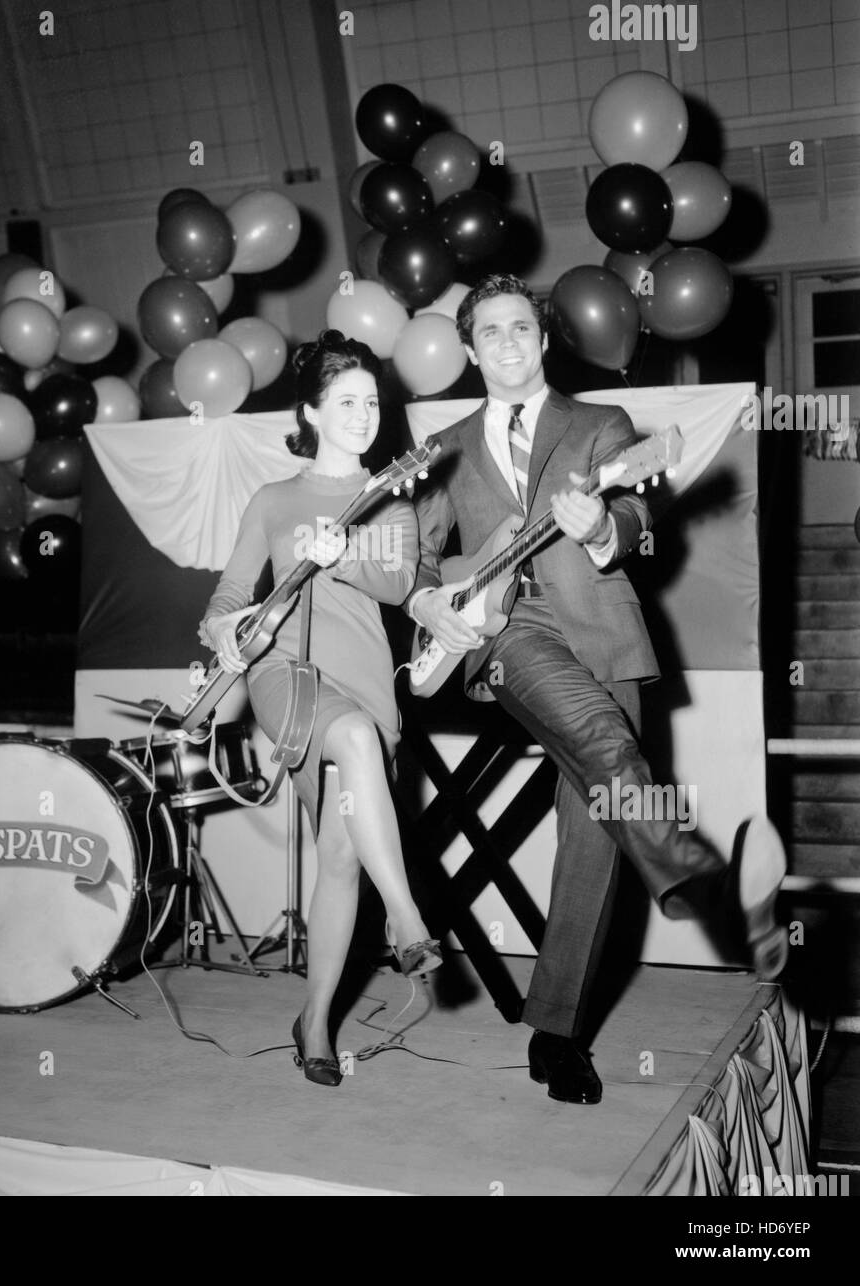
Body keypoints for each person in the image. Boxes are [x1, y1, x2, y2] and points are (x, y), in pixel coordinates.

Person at [408, 274, 787, 1106]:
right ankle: (692, 868)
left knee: (594, 831)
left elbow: (636, 518)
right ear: (469, 349)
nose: (506, 343)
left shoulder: (601, 426)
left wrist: (605, 530)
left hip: (603, 636)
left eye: (520, 328)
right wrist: (427, 597)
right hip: (508, 636)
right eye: (490, 332)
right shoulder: (441, 448)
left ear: (542, 341)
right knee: (609, 742)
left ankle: (556, 1034)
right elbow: (422, 560)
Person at [200, 329, 441, 1088]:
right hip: (289, 676)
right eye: (347, 401)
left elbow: (401, 586)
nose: (365, 414)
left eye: (372, 401)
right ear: (310, 410)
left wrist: (350, 556)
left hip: (366, 672)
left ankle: (312, 1023)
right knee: (354, 738)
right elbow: (231, 596)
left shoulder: (392, 497)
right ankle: (406, 919)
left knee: (339, 858)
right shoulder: (274, 499)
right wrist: (219, 628)